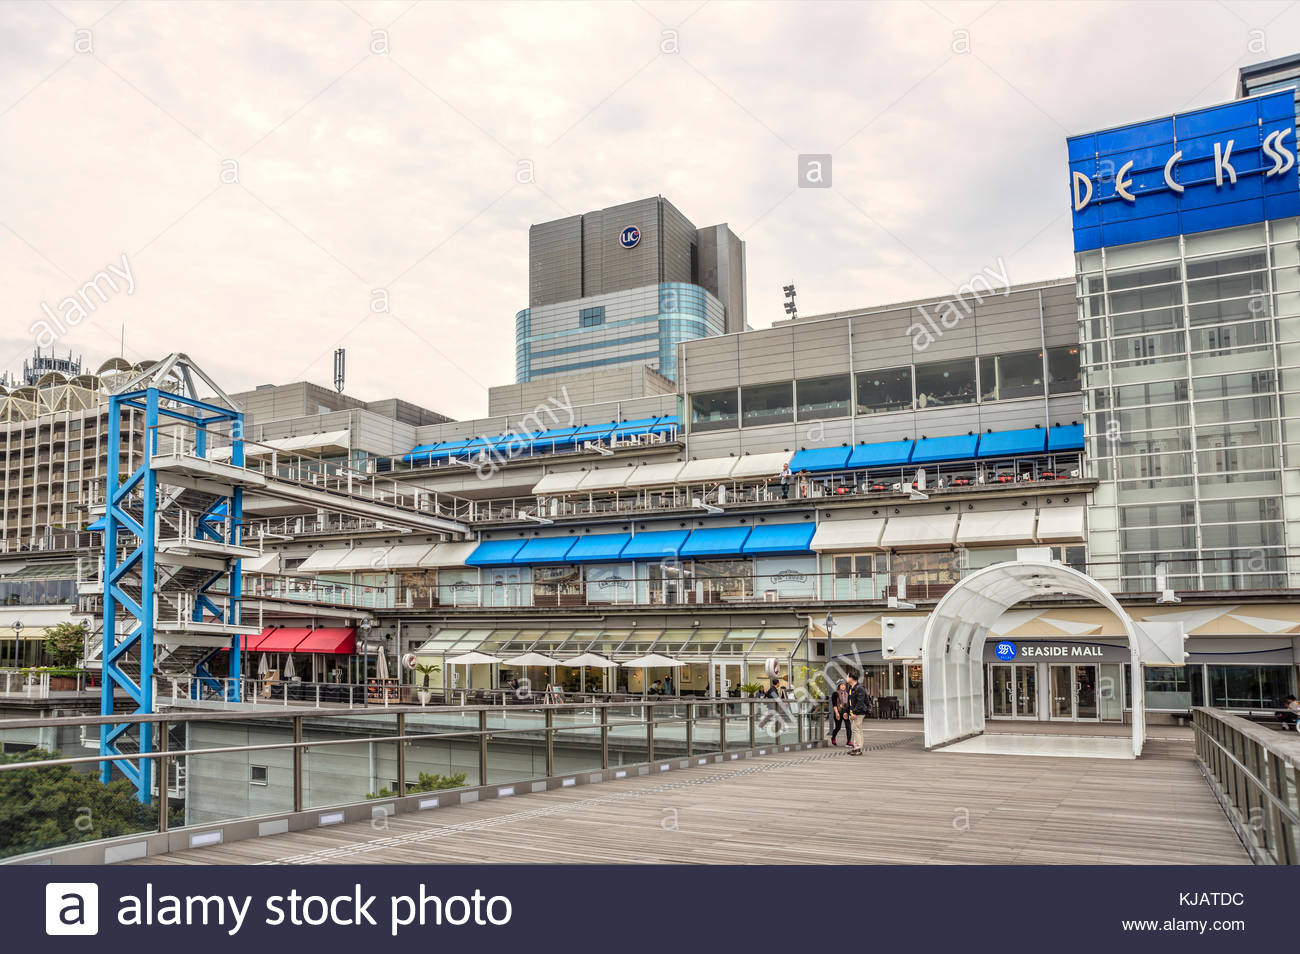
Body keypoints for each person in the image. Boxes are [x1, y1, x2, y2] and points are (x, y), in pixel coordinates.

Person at [846, 667, 869, 755]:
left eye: (847, 676)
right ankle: (856, 747)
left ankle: (858, 748)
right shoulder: (851, 688)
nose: (846, 678)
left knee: (856, 729)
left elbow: (860, 702)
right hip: (853, 713)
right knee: (856, 729)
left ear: (851, 678)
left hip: (858, 713)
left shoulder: (859, 688)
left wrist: (854, 713)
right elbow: (850, 702)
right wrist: (847, 712)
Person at [829, 680, 851, 746]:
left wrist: (848, 712)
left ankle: (849, 741)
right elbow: (834, 705)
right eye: (841, 685)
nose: (843, 686)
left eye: (844, 685)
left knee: (848, 727)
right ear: (838, 686)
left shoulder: (847, 694)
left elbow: (849, 704)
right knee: (838, 727)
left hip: (845, 712)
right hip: (838, 711)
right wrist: (836, 713)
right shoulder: (835, 693)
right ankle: (833, 737)